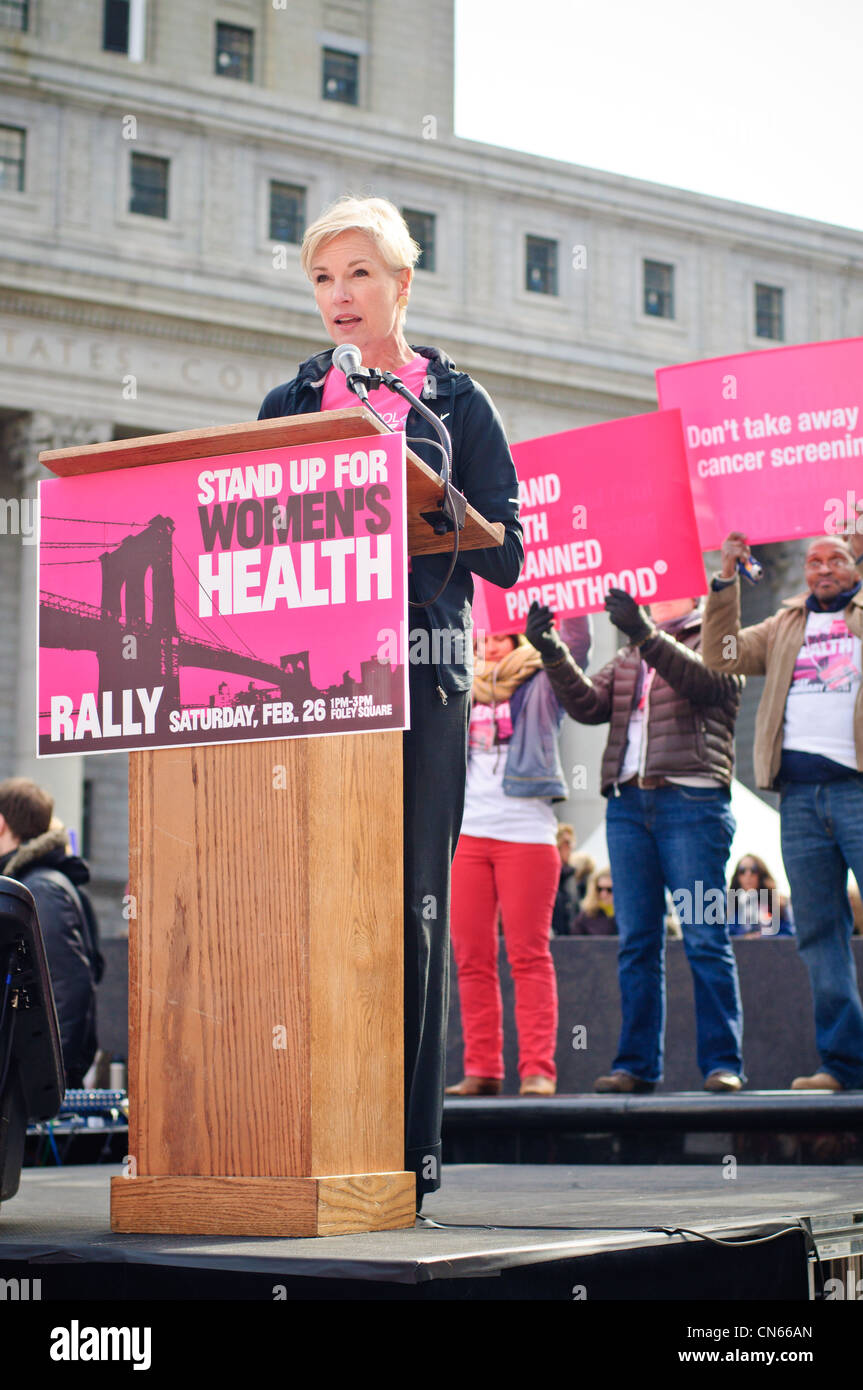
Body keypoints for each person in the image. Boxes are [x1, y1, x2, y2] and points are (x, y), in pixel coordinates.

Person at [257, 195, 523, 1201]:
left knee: (409, 904)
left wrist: (423, 489)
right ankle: (305, 1128)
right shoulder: (288, 403)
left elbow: (508, 544)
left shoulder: (455, 402)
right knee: (312, 897)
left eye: (358, 273)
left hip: (418, 668)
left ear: (401, 284)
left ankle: (409, 1146)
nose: (339, 296)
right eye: (322, 278)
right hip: (307, 679)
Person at [526, 590, 746, 1094]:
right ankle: (637, 1064)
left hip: (690, 803)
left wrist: (645, 633)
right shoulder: (628, 656)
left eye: (663, 589)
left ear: (688, 593)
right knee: (637, 943)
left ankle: (722, 1062)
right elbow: (587, 705)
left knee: (705, 937)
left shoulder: (715, 638)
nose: (651, 599)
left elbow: (713, 684)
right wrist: (552, 650)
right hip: (628, 806)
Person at [702, 531, 863, 1091]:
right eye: (814, 561)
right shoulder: (786, 624)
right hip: (798, 797)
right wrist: (726, 582)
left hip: (857, 791)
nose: (822, 569)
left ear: (854, 564)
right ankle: (843, 1064)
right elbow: (719, 654)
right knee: (820, 934)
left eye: (835, 560)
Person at [446, 619, 589, 1098]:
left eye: (499, 639)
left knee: (528, 955)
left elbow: (577, 648)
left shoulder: (541, 681)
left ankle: (537, 1070)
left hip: (526, 833)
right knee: (471, 958)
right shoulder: (458, 682)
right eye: (481, 640)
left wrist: (567, 612)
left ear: (517, 643)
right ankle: (482, 1069)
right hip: (467, 833)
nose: (488, 647)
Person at [0, 778, 102, 1087]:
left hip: (29, 1089)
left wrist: (47, 1082)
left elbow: (68, 987)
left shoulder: (39, 889)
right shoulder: (32, 884)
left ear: (1, 824)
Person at [727, 854, 794, 937]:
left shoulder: (778, 904)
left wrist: (762, 938)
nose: (748, 875)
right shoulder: (729, 907)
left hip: (771, 949)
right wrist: (744, 937)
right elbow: (725, 937)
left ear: (761, 874)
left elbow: (788, 935)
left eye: (753, 870)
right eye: (742, 871)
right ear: (737, 876)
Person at [572, 867, 618, 936]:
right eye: (599, 889)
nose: (604, 894)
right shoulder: (586, 916)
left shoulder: (627, 916)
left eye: (609, 890)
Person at [552, 823, 579, 936]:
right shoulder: (542, 874)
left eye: (571, 843)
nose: (570, 847)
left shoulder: (571, 876)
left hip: (568, 942)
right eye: (566, 843)